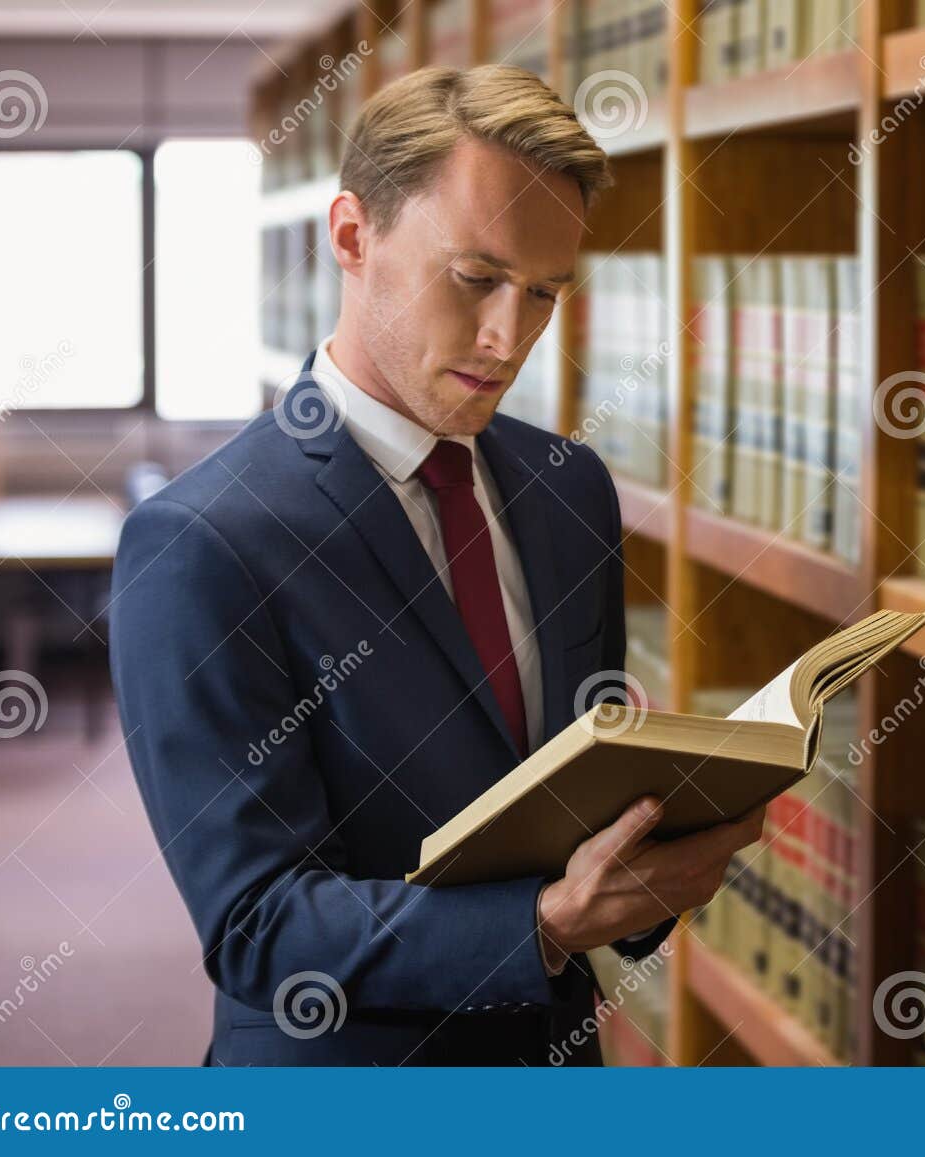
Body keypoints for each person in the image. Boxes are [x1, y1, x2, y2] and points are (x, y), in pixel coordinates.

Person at [108, 65, 763, 1066]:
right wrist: (542, 922)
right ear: (351, 236)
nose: (511, 338)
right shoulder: (200, 544)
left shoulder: (568, 488)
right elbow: (256, 924)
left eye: (544, 293)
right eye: (476, 278)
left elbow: (570, 796)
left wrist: (645, 874)